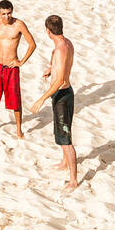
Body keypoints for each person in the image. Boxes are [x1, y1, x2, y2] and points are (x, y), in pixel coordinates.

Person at [30, 14, 76, 192]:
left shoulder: (60, 49)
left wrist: (41, 99)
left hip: (63, 95)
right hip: (64, 94)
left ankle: (73, 180)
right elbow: (62, 65)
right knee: (61, 133)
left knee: (66, 139)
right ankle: (65, 163)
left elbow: (60, 80)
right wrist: (52, 68)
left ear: (48, 31)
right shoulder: (66, 43)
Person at [0, 0, 37, 139]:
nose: (7, 16)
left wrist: (21, 62)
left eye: (9, 13)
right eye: (4, 14)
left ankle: (19, 130)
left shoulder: (19, 24)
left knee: (15, 99)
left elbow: (32, 44)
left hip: (12, 67)